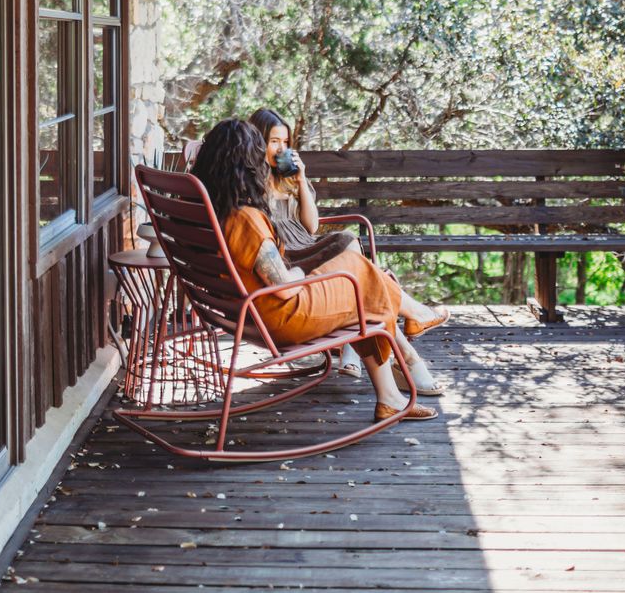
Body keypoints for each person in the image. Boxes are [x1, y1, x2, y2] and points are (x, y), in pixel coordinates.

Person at [191, 119, 437, 422]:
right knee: (361, 274)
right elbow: (284, 286)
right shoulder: (245, 218)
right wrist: (298, 275)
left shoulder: (210, 211)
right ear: (247, 163)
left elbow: (306, 229)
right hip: (282, 316)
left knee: (360, 276)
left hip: (247, 312)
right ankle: (400, 365)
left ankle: (392, 392)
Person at [249, 107, 447, 391]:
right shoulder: (251, 182)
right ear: (258, 142)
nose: (281, 149)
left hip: (306, 243)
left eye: (286, 142)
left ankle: (378, 351)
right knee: (360, 267)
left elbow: (312, 226)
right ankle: (412, 331)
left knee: (349, 240)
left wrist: (302, 180)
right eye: (274, 142)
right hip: (288, 254)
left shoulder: (289, 180)